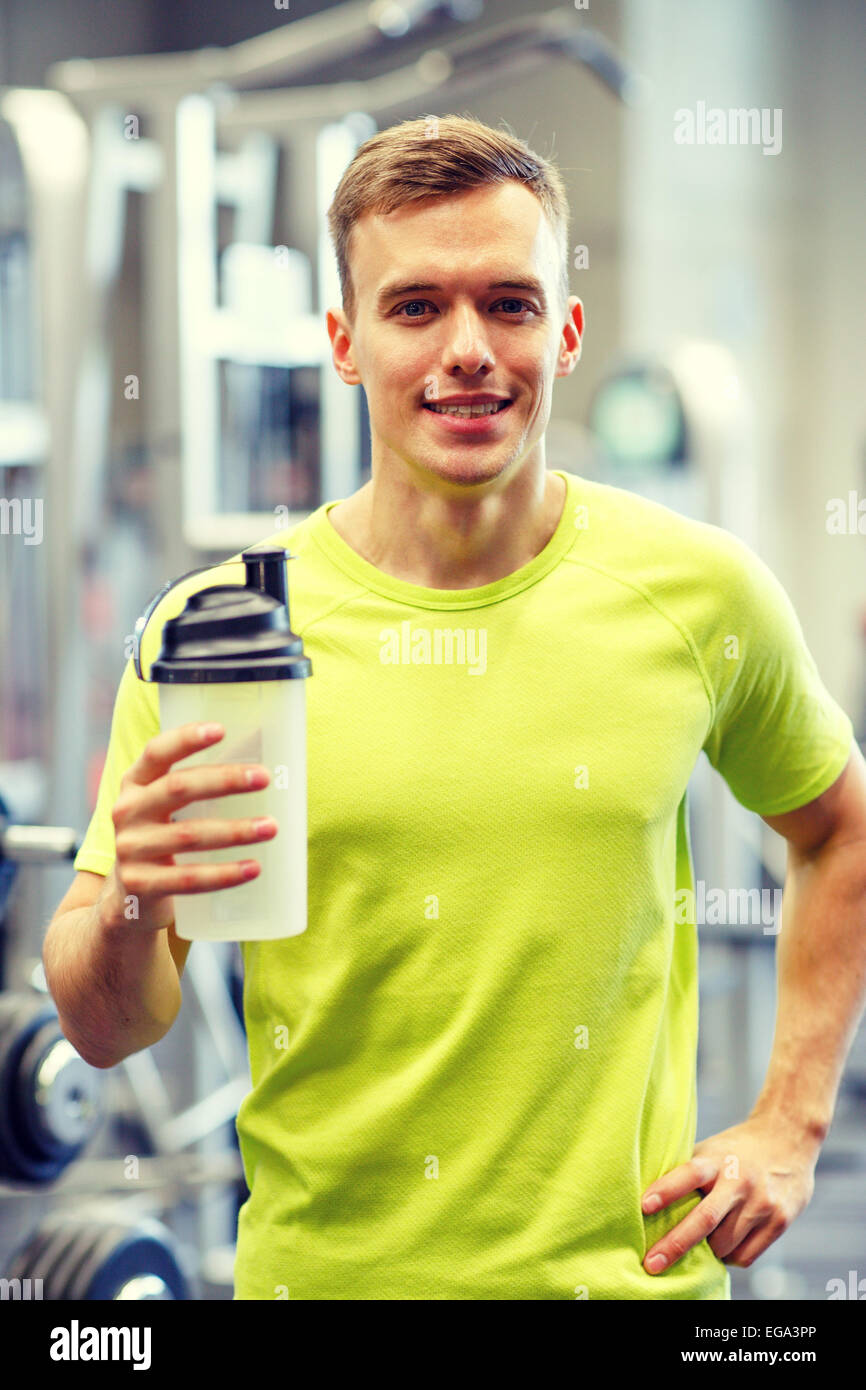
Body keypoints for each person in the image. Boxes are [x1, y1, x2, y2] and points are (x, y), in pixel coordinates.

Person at [44, 114, 866, 1301]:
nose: (467, 348)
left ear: (566, 332)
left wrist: (789, 1123)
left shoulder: (698, 590)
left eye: (510, 304)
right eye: (416, 306)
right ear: (343, 340)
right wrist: (135, 900)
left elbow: (835, 824)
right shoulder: (216, 634)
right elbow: (106, 1028)